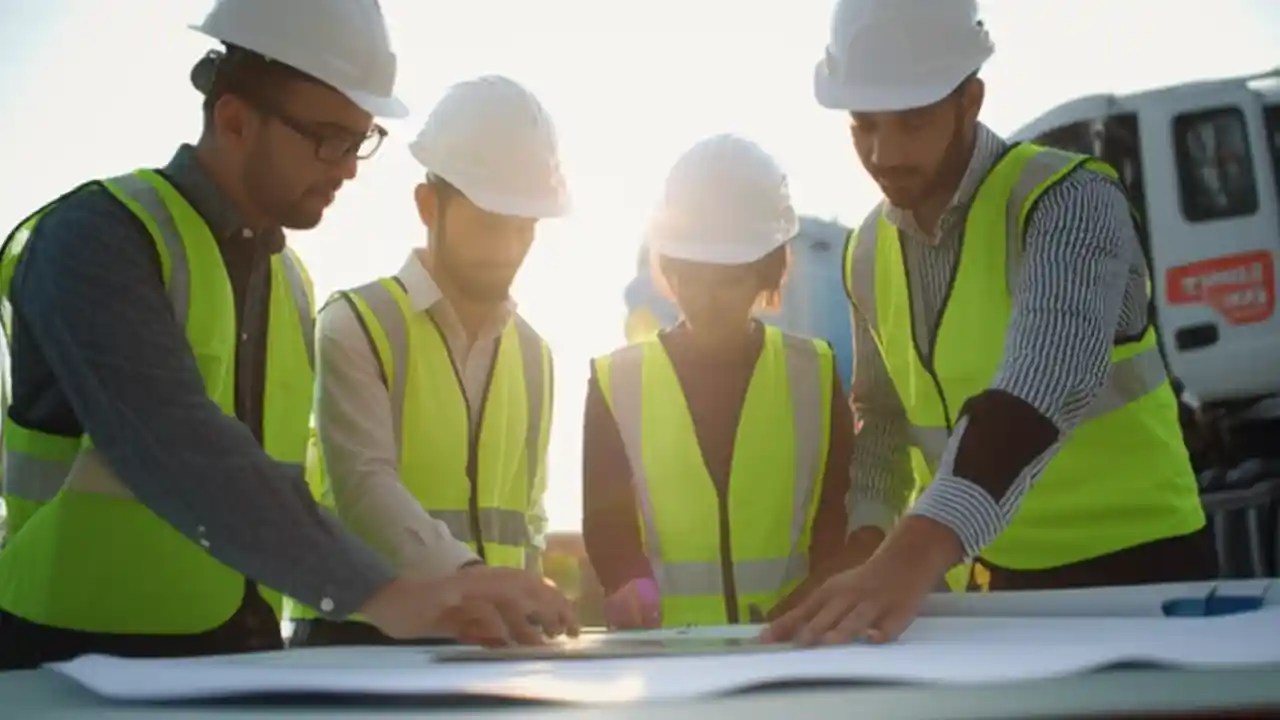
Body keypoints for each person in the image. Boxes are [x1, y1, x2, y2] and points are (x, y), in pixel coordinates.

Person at [0, 1, 574, 671]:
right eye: (329, 137)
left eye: (360, 140)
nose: (350, 167)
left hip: (235, 661)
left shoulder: (290, 280)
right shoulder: (95, 239)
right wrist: (384, 592)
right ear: (235, 119)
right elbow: (172, 439)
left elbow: (277, 482)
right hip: (66, 668)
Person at [764, 0, 1215, 646]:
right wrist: (863, 545)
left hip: (1141, 578)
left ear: (971, 100)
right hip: (986, 582)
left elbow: (1041, 385)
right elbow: (884, 418)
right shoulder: (866, 250)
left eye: (912, 122)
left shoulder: (1069, 200)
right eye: (863, 125)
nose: (882, 154)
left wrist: (909, 554)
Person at [288, 75, 568, 647]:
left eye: (525, 228)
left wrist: (528, 604)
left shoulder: (535, 356)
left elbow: (529, 518)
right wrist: (473, 582)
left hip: (496, 644)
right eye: (491, 223)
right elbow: (365, 487)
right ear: (427, 205)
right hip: (360, 642)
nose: (509, 249)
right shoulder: (357, 324)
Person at [583, 134, 861, 629]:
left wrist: (814, 603)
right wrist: (628, 583)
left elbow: (836, 517)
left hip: (791, 648)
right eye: (692, 277)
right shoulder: (615, 381)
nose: (707, 298)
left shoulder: (814, 374)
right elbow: (608, 524)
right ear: (669, 270)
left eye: (728, 279)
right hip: (667, 660)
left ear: (767, 272)